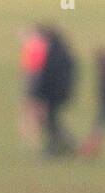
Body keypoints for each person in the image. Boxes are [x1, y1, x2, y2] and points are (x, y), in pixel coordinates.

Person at [18, 24, 78, 158]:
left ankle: (59, 145)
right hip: (61, 92)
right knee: (50, 119)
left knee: (48, 119)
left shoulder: (52, 53)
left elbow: (46, 75)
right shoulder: (63, 51)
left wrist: (37, 93)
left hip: (53, 93)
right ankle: (65, 143)